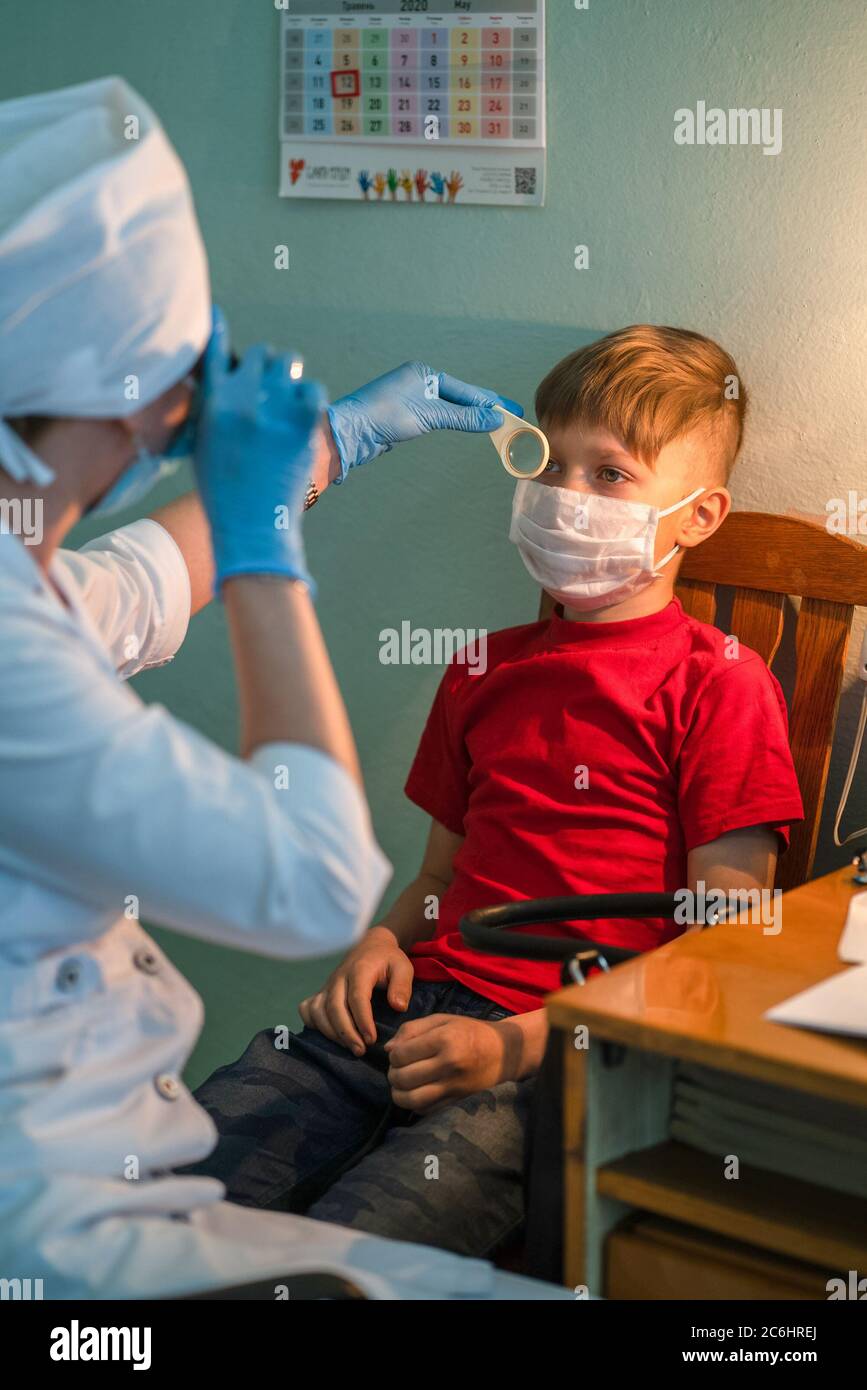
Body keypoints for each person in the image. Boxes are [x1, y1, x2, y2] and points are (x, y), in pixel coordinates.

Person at [0, 76, 569, 1300]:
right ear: (130, 396)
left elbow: (135, 581)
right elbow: (312, 878)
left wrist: (338, 443)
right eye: (169, 388)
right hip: (57, 1235)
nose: (178, 420)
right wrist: (265, 543)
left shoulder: (25, 571)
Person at [190, 325, 805, 1257]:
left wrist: (518, 1045)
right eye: (551, 463)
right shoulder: (482, 668)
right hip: (407, 1010)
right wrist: (378, 941)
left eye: (610, 475)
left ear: (698, 515)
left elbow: (722, 950)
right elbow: (436, 878)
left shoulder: (719, 683)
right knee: (172, 1185)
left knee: (368, 1246)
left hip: (567, 1048)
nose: (565, 495)